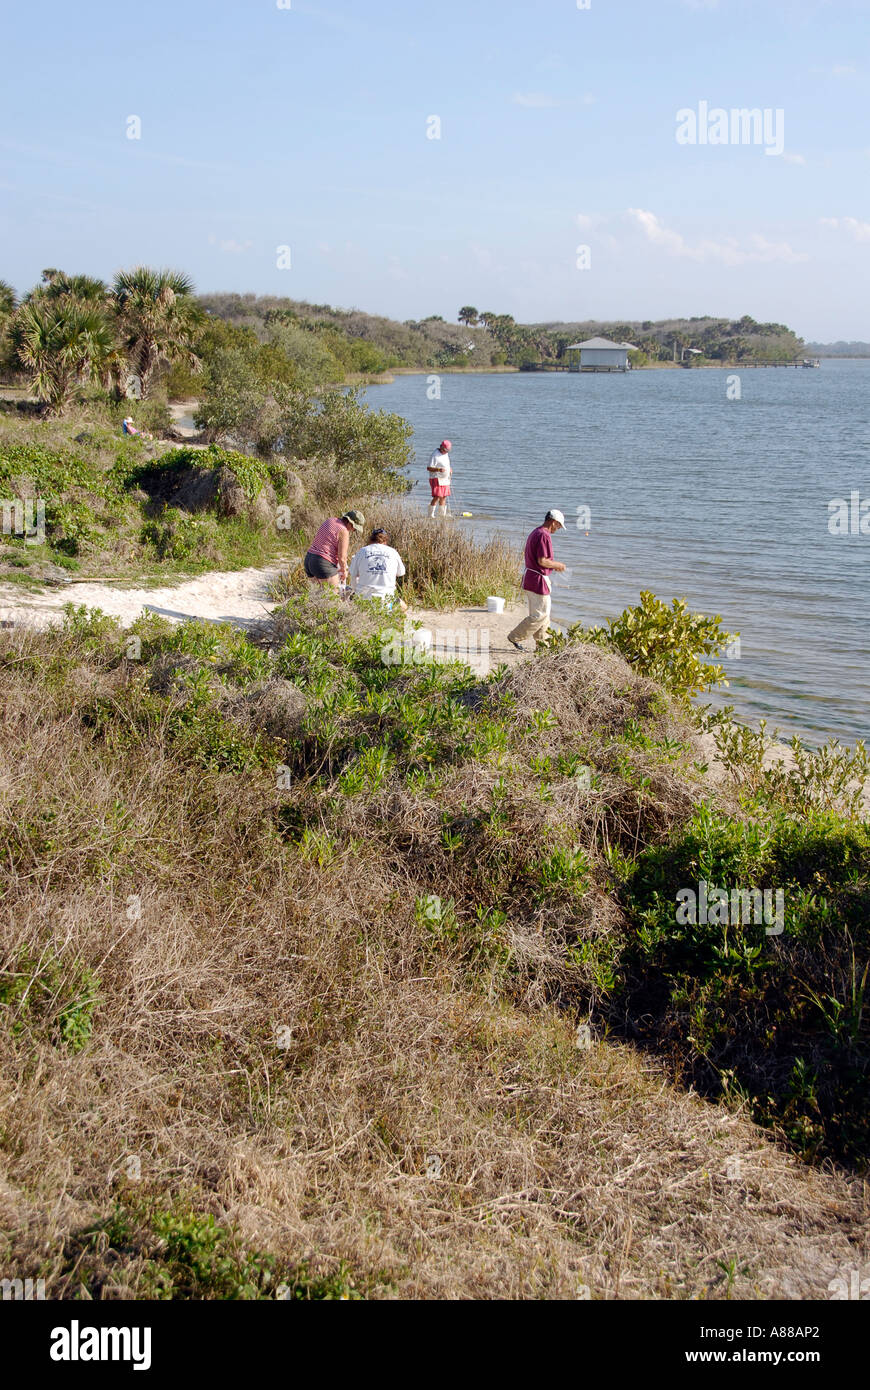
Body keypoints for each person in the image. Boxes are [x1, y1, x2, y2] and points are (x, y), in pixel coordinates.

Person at [507, 509, 566, 652]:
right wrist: (557, 565)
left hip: (531, 578)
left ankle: (542, 646)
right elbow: (542, 561)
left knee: (544, 616)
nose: (558, 529)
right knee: (540, 615)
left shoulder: (536, 532)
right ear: (553, 522)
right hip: (537, 580)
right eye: (558, 526)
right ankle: (515, 636)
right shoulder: (543, 535)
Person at [349, 527, 407, 611]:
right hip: (386, 600)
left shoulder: (362, 551)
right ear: (385, 541)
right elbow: (401, 572)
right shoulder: (393, 552)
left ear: (371, 540)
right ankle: (396, 622)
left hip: (363, 599)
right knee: (403, 607)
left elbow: (353, 573)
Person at [304, 510, 365, 589]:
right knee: (333, 597)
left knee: (316, 595)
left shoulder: (330, 520)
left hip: (309, 559)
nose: (353, 531)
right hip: (323, 563)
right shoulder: (343, 531)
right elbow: (342, 557)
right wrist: (344, 571)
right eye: (355, 528)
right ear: (350, 523)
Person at [427, 439, 452, 519]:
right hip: (436, 478)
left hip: (445, 478)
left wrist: (449, 469)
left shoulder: (446, 454)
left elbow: (446, 464)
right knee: (437, 496)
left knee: (444, 496)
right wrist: (438, 469)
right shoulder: (435, 455)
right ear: (441, 447)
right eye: (445, 450)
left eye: (447, 450)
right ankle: (430, 515)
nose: (446, 452)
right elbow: (428, 468)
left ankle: (442, 515)